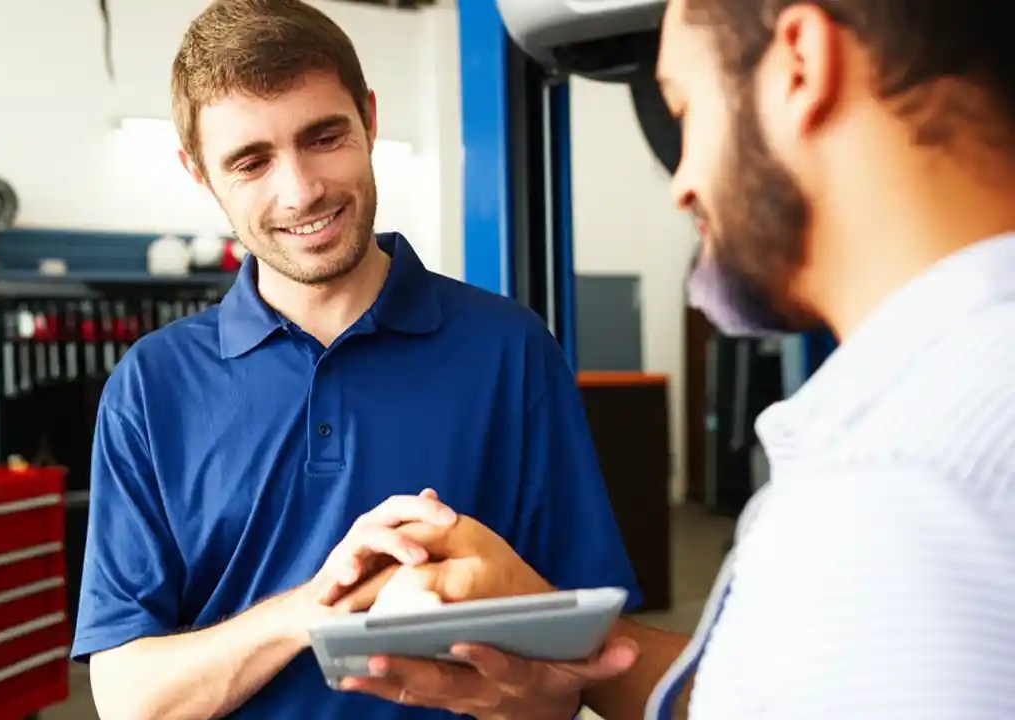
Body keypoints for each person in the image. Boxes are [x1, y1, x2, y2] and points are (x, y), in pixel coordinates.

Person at [337, 0, 1015, 718]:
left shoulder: (896, 490)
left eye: (684, 110)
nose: (682, 182)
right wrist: (549, 633)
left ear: (801, 66)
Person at [69, 1, 647, 718]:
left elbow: (572, 676)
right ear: (198, 171)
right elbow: (130, 702)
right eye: (251, 161)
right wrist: (313, 610)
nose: (301, 189)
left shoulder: (511, 351)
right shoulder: (151, 388)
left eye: (324, 136)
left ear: (369, 118)